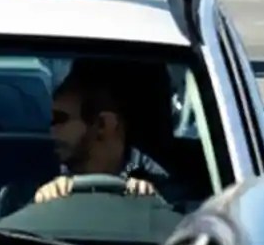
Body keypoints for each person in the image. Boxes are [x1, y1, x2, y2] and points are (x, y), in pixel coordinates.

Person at [33, 63, 170, 203]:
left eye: (60, 119)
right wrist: (42, 201)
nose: (52, 130)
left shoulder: (159, 182)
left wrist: (152, 201)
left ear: (103, 125)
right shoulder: (41, 176)